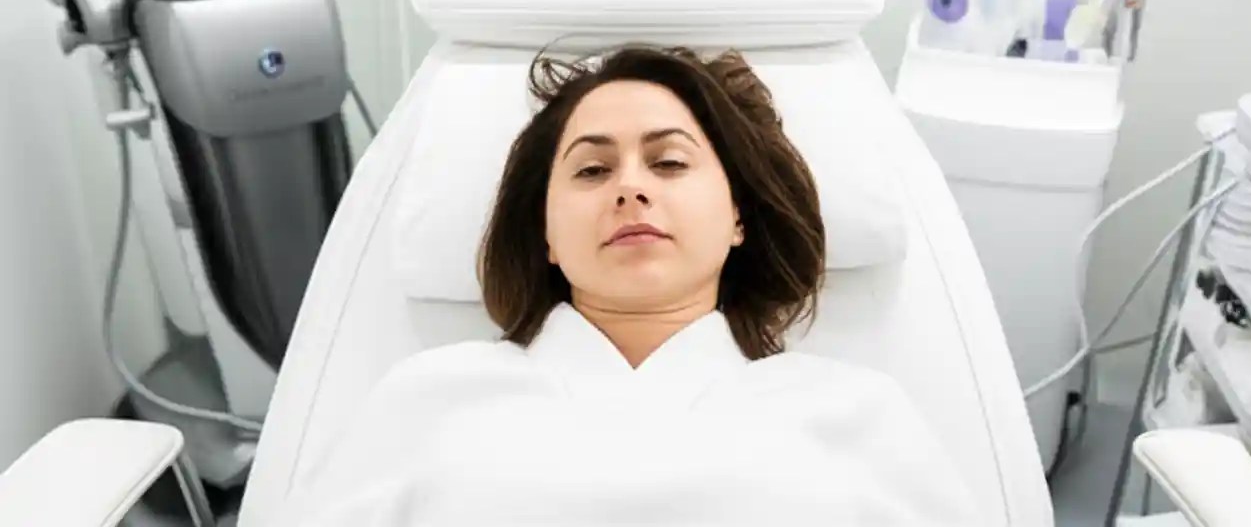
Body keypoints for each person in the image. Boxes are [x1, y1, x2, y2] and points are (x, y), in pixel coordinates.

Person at [278, 45, 979, 525]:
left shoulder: (855, 412)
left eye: (669, 162)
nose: (630, 189)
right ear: (547, 237)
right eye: (591, 171)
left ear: (738, 216)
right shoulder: (426, 400)